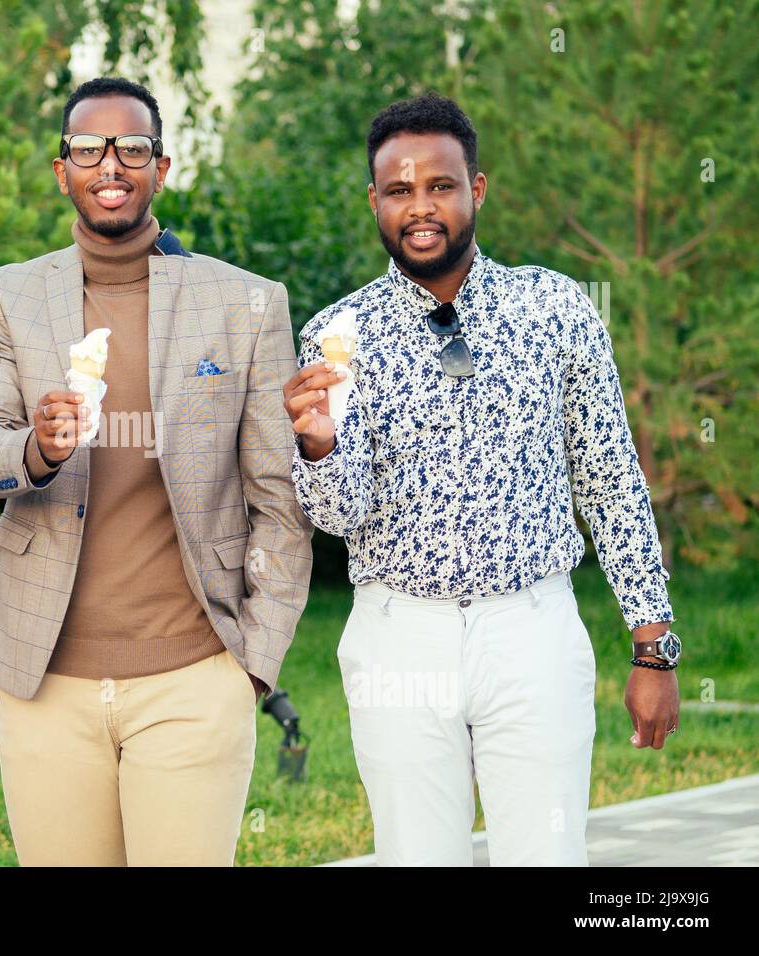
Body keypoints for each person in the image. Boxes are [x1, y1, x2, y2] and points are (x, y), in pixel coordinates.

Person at [283, 91, 680, 866]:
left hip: (531, 629)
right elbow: (339, 514)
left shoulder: (555, 309)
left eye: (440, 186)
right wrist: (321, 446)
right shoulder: (336, 334)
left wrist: (652, 645)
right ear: (375, 201)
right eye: (399, 191)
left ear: (477, 189)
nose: (420, 207)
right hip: (399, 637)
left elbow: (610, 480)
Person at [0, 77, 313, 866]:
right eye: (88, 148)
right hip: (44, 679)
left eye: (132, 148)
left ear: (161, 166)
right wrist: (35, 451)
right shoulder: (12, 296)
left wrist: (253, 665)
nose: (109, 164)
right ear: (62, 170)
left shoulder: (245, 303)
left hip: (193, 674)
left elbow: (278, 498)